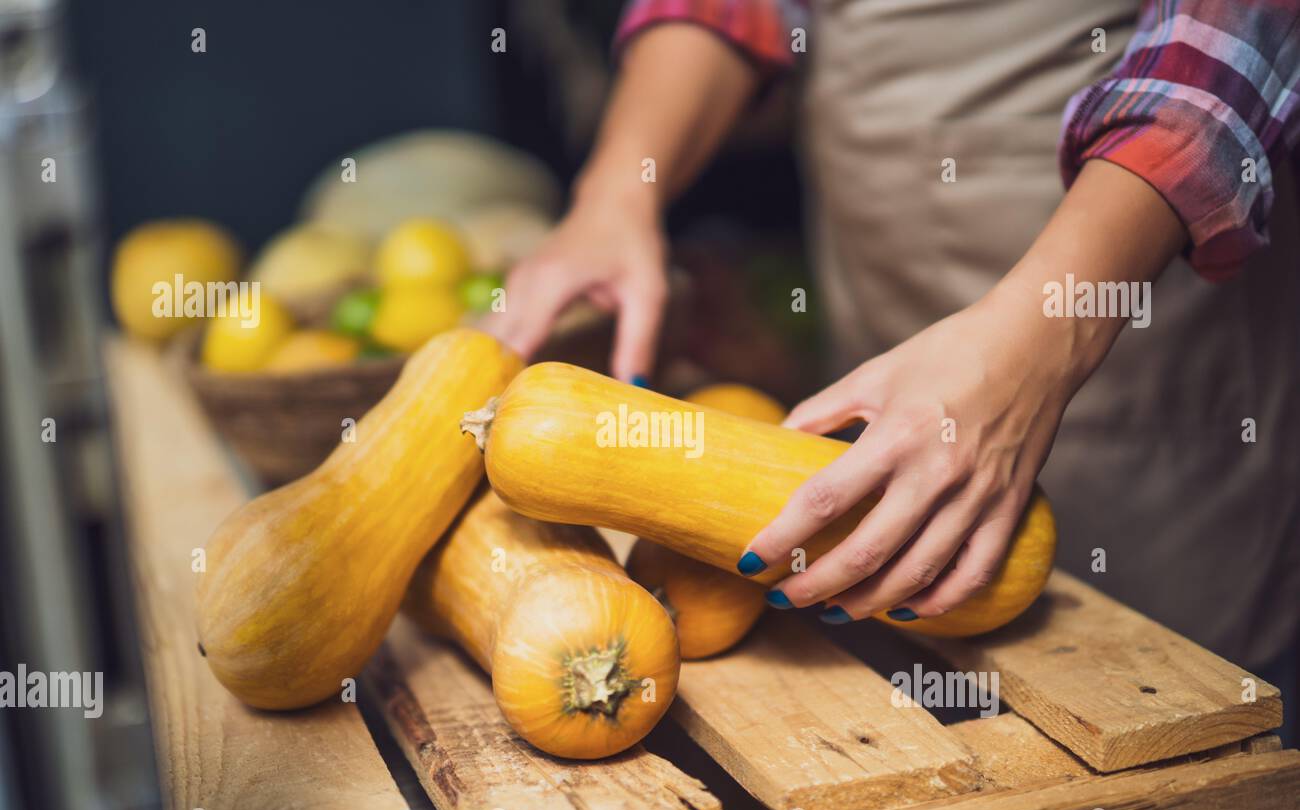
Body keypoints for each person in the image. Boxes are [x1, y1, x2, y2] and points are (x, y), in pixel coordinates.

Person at [485, 1, 1300, 737]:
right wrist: (616, 195)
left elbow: (1238, 43)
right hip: (883, 291)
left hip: (1121, 291)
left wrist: (1040, 345)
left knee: (1171, 739)